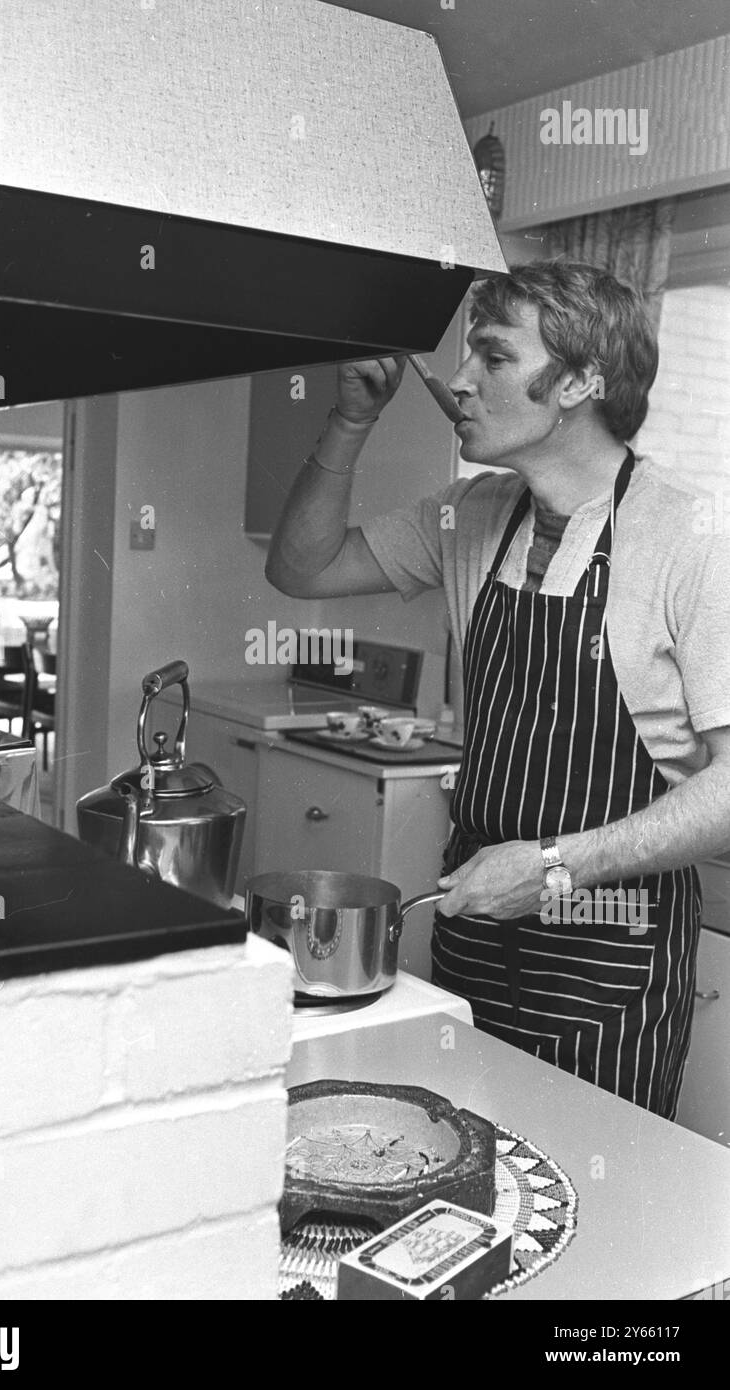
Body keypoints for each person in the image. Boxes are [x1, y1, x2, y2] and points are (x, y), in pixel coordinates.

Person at [265, 259, 730, 1119]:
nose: (460, 380)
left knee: (590, 1210)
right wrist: (348, 422)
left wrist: (552, 869)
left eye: (493, 357)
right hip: (477, 919)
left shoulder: (694, 538)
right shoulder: (471, 514)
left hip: (611, 947)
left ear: (581, 382)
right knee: (465, 1178)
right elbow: (301, 567)